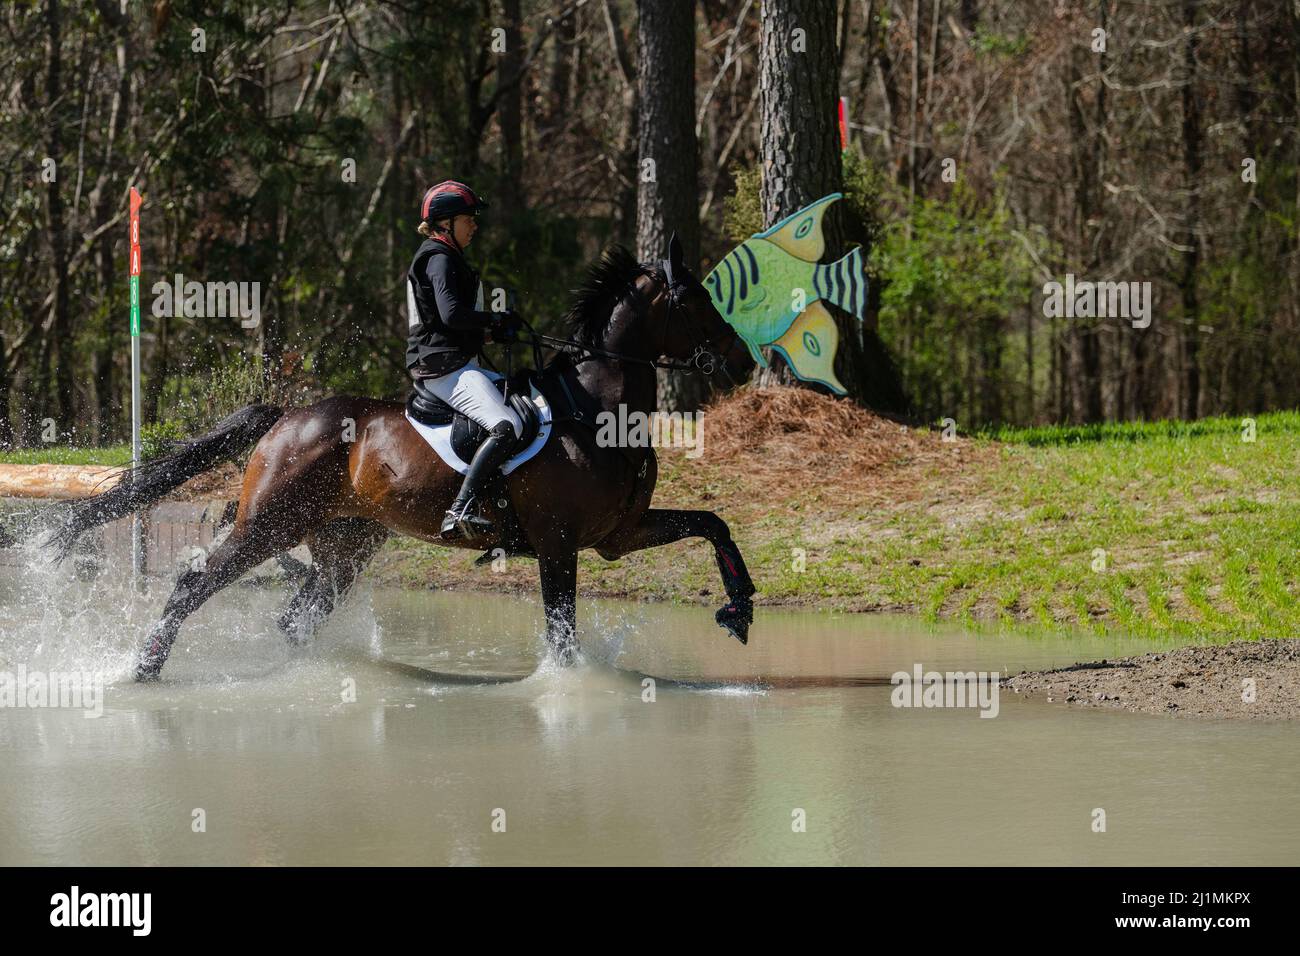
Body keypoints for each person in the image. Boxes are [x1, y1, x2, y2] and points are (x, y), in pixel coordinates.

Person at [406, 180, 523, 540]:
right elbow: (452, 314)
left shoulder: (447, 257)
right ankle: (461, 508)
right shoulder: (439, 257)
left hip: (453, 362)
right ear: (445, 223)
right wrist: (495, 318)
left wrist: (490, 333)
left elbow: (450, 325)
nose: (474, 225)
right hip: (445, 370)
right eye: (467, 219)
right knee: (505, 426)